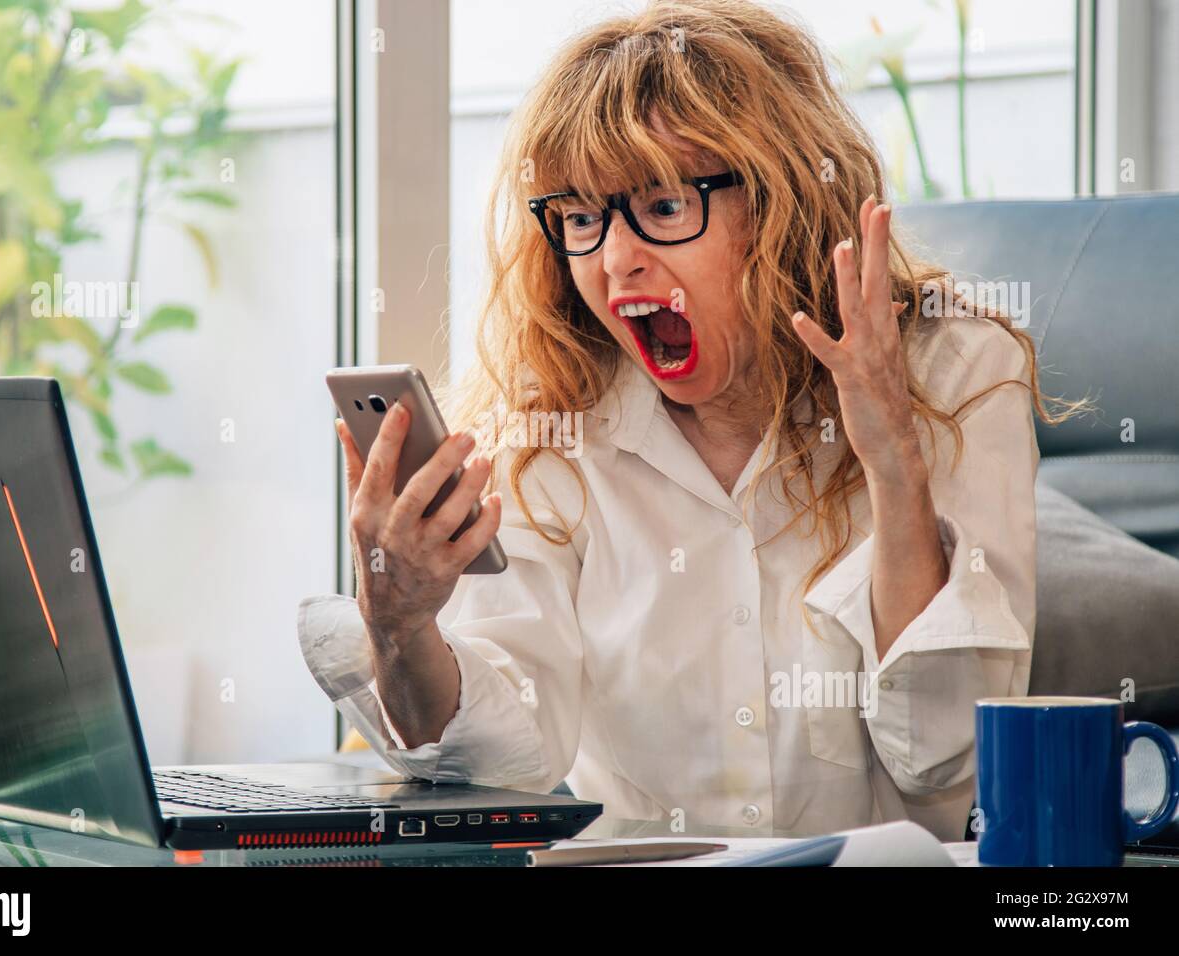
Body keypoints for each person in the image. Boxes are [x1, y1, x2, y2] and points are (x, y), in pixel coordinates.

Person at [299, 0, 1075, 841]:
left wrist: (894, 469)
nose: (616, 258)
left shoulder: (953, 370)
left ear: (782, 208)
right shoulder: (551, 413)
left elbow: (948, 755)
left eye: (666, 206)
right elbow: (508, 760)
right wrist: (401, 624)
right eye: (584, 219)